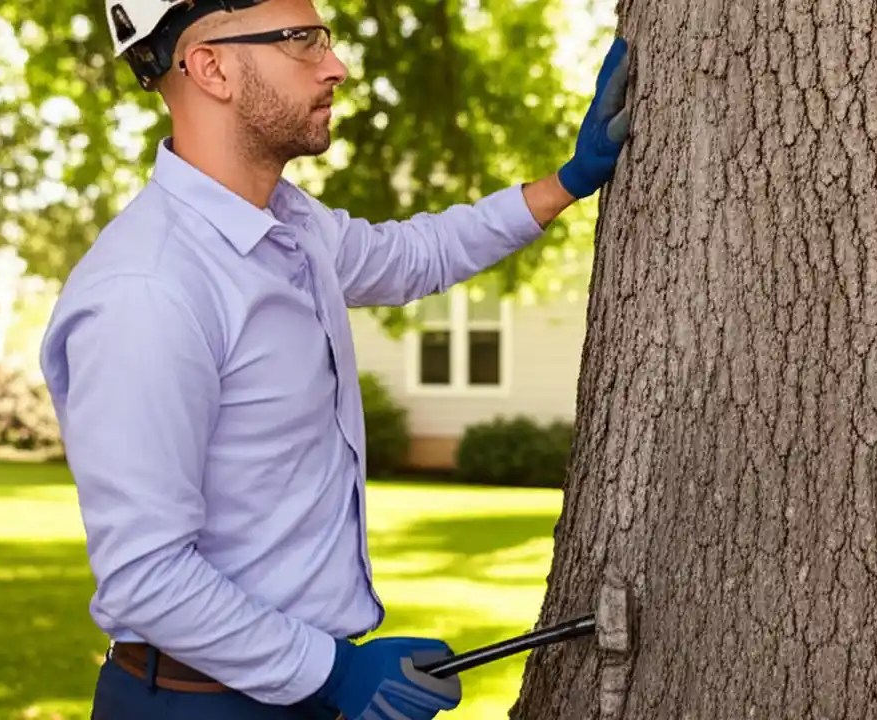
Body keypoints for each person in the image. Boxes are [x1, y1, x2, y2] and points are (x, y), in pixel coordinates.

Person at [38, 0, 631, 718]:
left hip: (295, 692)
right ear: (211, 67)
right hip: (200, 705)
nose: (336, 65)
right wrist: (332, 672)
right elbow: (147, 576)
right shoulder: (150, 290)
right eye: (301, 41)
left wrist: (566, 183)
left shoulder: (289, 224)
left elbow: (412, 255)